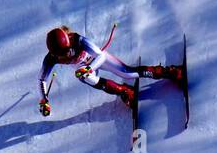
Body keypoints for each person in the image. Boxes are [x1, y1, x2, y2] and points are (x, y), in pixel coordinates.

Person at [37, 25, 184, 116]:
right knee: (85, 77)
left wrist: (89, 68)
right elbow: (42, 79)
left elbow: (100, 55)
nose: (68, 53)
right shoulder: (51, 58)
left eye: (68, 49)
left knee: (128, 73)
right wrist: (44, 100)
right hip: (85, 69)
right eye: (63, 53)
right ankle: (125, 92)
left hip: (96, 61)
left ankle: (168, 72)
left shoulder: (77, 40)